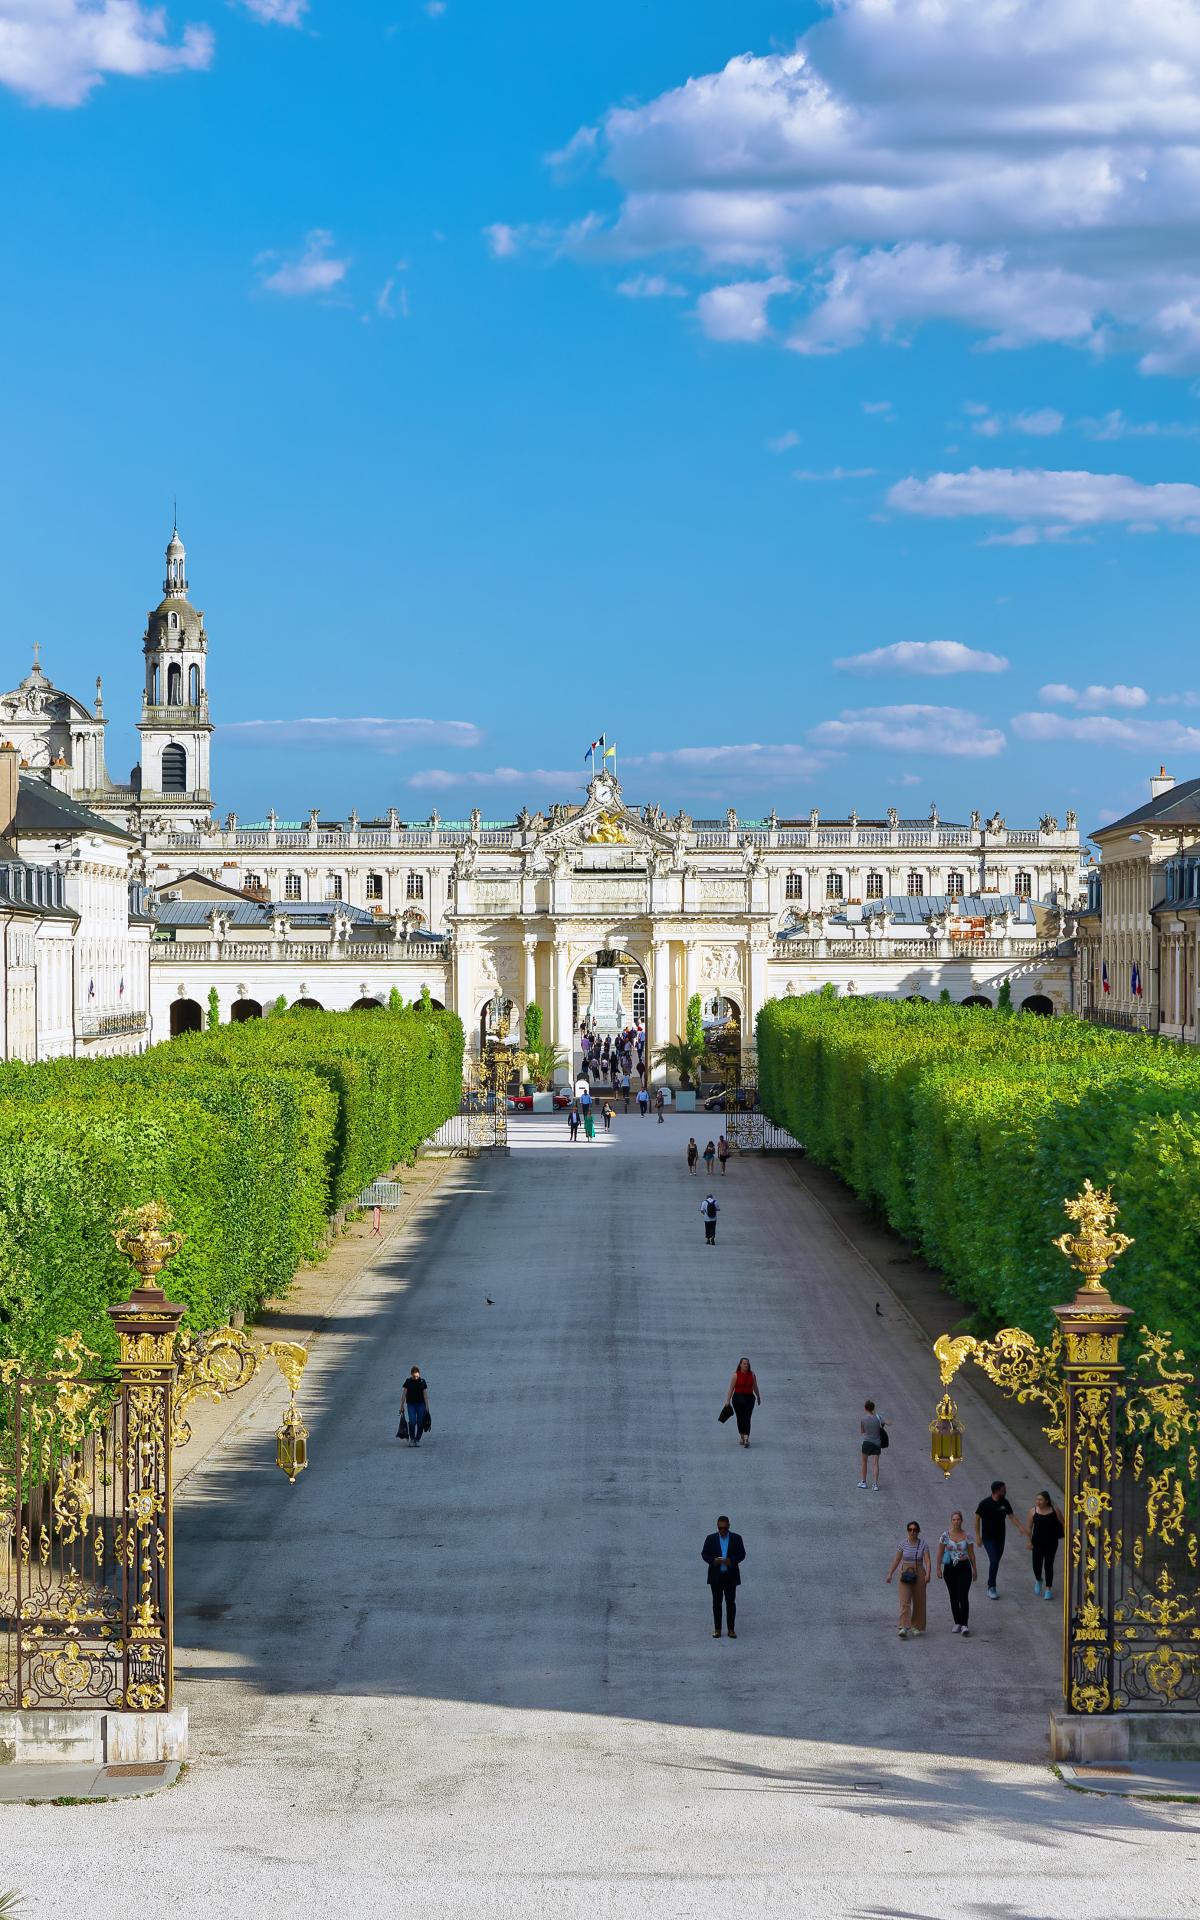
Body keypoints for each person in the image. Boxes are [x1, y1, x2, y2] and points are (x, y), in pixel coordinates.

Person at [975, 1480, 1025, 1598]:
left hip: (1000, 1538)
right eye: (1003, 1489)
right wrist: (978, 1536)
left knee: (996, 1561)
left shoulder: (1005, 1503)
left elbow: (1011, 1516)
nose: (1005, 1491)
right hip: (988, 1538)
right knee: (994, 1561)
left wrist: (1020, 1527)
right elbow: (977, 1518)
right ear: (997, 1491)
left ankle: (991, 1584)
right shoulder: (985, 1503)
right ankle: (991, 1587)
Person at [702, 1514, 746, 1638]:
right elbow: (704, 1554)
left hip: (730, 1576)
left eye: (724, 1528)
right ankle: (717, 1629)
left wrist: (731, 1561)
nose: (722, 1531)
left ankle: (731, 1629)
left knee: (730, 1602)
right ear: (717, 1527)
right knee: (717, 1603)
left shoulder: (736, 1538)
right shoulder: (710, 1539)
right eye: (720, 1528)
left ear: (728, 1526)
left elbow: (742, 1554)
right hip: (716, 1577)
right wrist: (713, 1561)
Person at [886, 1522, 931, 1637]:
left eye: (915, 1530)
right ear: (907, 1531)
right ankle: (903, 1626)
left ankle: (916, 1626)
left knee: (919, 1600)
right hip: (906, 1573)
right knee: (904, 1600)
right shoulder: (903, 1544)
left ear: (918, 1531)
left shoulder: (923, 1544)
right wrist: (890, 1573)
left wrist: (928, 1574)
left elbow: (927, 1560)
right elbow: (897, 1559)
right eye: (910, 1529)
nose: (912, 1532)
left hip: (919, 1571)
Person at [936, 1511, 978, 1635]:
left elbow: (971, 1554)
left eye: (958, 1519)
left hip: (964, 1567)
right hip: (950, 1568)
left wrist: (974, 1569)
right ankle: (957, 1622)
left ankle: (964, 1624)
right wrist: (938, 1568)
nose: (956, 1522)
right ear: (951, 1521)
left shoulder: (967, 1536)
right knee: (953, 1596)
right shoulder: (945, 1536)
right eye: (954, 1520)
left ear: (962, 1521)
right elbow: (939, 1553)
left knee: (963, 1596)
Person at [1028, 1490, 1065, 1599]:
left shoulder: (1055, 1511)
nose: (1038, 1501)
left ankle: (1048, 1589)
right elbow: (1029, 1528)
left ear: (1047, 1501)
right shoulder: (1033, 1511)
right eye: (1037, 1499)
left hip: (1051, 1542)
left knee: (1048, 1565)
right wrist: (1029, 1541)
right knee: (1036, 1565)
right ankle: (1039, 1579)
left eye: (1040, 1500)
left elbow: (1063, 1522)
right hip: (1037, 1542)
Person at [724, 1356, 761, 1447]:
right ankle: (742, 1435)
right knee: (740, 1417)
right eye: (744, 1363)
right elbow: (731, 1389)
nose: (746, 1365)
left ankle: (746, 1438)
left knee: (747, 1417)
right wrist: (727, 1400)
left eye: (747, 1364)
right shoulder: (735, 1375)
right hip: (738, 1398)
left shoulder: (752, 1375)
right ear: (740, 1365)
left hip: (749, 1398)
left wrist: (758, 1396)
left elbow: (755, 1387)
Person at [398, 1365, 430, 1447]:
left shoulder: (422, 1381)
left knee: (420, 1422)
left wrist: (427, 1406)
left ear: (419, 1374)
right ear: (411, 1374)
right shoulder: (408, 1382)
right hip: (411, 1404)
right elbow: (404, 1394)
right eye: (414, 1376)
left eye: (417, 1376)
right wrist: (402, 1405)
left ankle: (417, 1439)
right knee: (412, 1421)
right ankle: (412, 1439)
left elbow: (425, 1395)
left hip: (421, 1404)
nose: (416, 1378)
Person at [859, 1400, 884, 1491]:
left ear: (865, 1408)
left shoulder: (863, 1419)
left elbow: (862, 1431)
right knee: (875, 1464)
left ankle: (863, 1482)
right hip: (877, 1443)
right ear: (873, 1408)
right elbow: (886, 1423)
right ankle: (875, 1485)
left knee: (864, 1462)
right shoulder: (878, 1418)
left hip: (867, 1442)